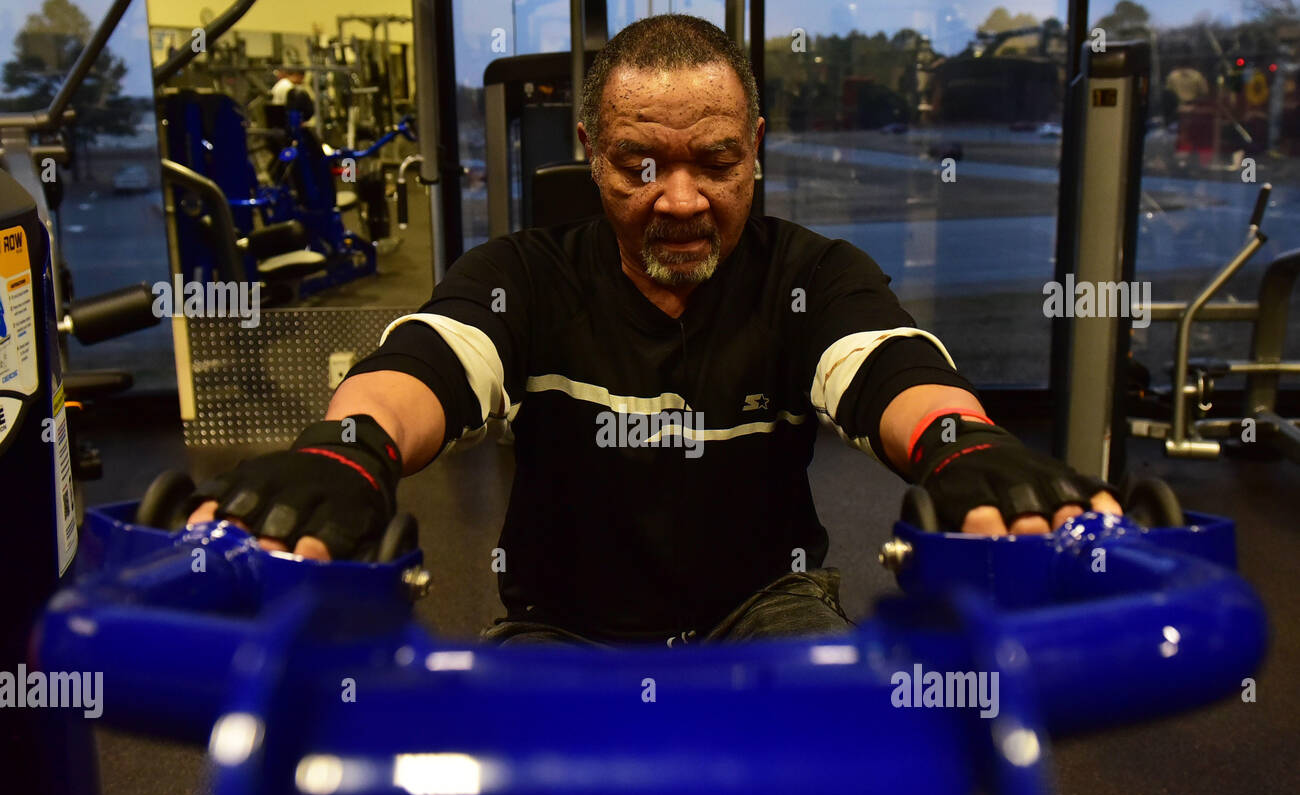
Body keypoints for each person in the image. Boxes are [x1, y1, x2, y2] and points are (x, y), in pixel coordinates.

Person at [188, 14, 1122, 647]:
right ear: (589, 152)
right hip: (560, 620)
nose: (681, 201)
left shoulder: (809, 273)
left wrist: (962, 442)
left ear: (753, 145)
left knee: (853, 769)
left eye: (716, 162)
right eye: (640, 163)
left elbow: (882, 364)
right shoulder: (526, 274)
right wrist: (349, 449)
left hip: (766, 603)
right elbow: (435, 358)